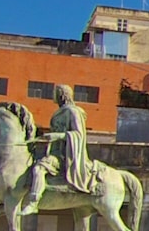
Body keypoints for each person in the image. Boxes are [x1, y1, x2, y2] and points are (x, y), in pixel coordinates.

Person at [18, 84, 99, 214]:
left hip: (63, 155)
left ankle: (33, 202)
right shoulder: (59, 112)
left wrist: (58, 136)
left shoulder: (73, 112)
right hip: (53, 151)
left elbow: (79, 134)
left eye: (54, 93)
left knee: (39, 169)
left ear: (61, 95)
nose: (52, 96)